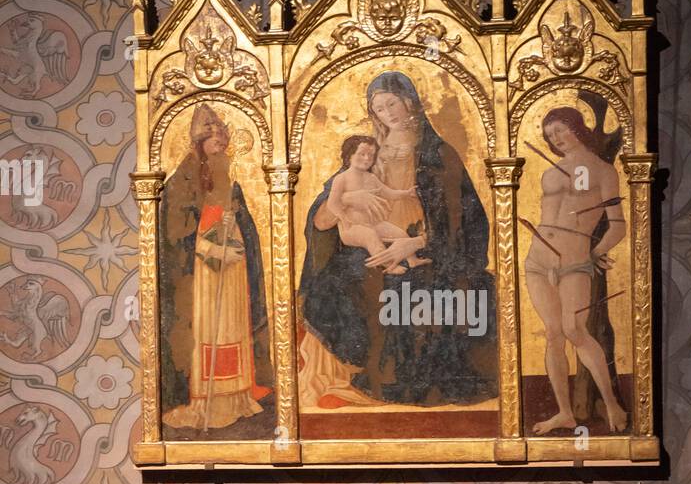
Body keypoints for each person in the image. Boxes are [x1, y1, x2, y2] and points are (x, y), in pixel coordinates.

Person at [299, 70, 497, 406]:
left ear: (409, 102)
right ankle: (364, 373)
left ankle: (402, 380)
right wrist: (349, 201)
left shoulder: (438, 154)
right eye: (378, 108)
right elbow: (321, 221)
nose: (387, 113)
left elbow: (465, 220)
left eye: (392, 103)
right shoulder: (368, 154)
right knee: (335, 281)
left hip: (430, 249)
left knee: (422, 286)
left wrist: (418, 243)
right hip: (375, 245)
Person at [159, 102, 272, 431]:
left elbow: (244, 224)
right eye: (214, 143)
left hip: (231, 266)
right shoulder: (183, 180)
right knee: (210, 328)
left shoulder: (230, 179)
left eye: (223, 143)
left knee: (233, 325)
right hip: (203, 272)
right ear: (200, 144)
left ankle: (237, 397)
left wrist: (235, 236)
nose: (220, 148)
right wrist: (207, 245)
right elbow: (175, 231)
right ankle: (207, 402)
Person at [525, 105, 627, 434]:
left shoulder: (602, 170)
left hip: (574, 261)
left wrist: (594, 253)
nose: (556, 139)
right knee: (553, 335)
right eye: (550, 135)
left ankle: (612, 404)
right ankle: (564, 413)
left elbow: (618, 227)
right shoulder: (550, 171)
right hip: (538, 259)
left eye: (561, 130)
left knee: (575, 332)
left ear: (577, 128)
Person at [327, 134, 429, 276]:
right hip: (351, 228)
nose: (367, 158)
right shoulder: (341, 179)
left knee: (400, 233)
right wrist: (343, 218)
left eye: (371, 155)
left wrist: (406, 193)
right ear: (349, 154)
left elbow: (388, 193)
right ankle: (389, 266)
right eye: (362, 154)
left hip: (373, 223)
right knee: (370, 236)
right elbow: (332, 203)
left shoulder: (371, 178)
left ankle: (413, 260)